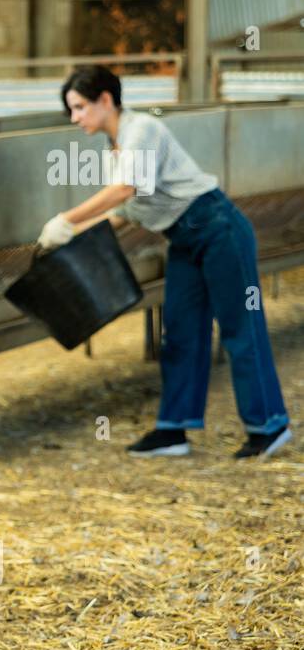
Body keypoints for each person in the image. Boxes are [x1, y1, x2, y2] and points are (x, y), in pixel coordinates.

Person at [37, 65, 290, 460]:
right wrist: (73, 236)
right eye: (72, 110)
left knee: (240, 326)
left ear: (106, 100)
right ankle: (173, 430)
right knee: (181, 331)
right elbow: (126, 211)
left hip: (218, 229)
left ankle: (269, 426)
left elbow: (127, 187)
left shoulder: (143, 130)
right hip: (183, 238)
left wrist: (67, 219)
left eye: (80, 107)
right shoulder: (115, 147)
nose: (75, 118)